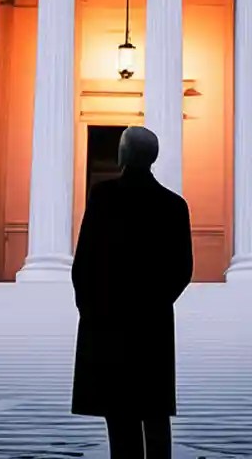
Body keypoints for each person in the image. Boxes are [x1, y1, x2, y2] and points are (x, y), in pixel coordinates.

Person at [71, 126, 194, 459]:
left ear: (123, 155)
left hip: (108, 320)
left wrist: (90, 308)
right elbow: (183, 270)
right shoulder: (173, 205)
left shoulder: (103, 196)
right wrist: (154, 302)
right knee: (154, 411)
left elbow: (84, 262)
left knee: (119, 412)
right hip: (152, 323)